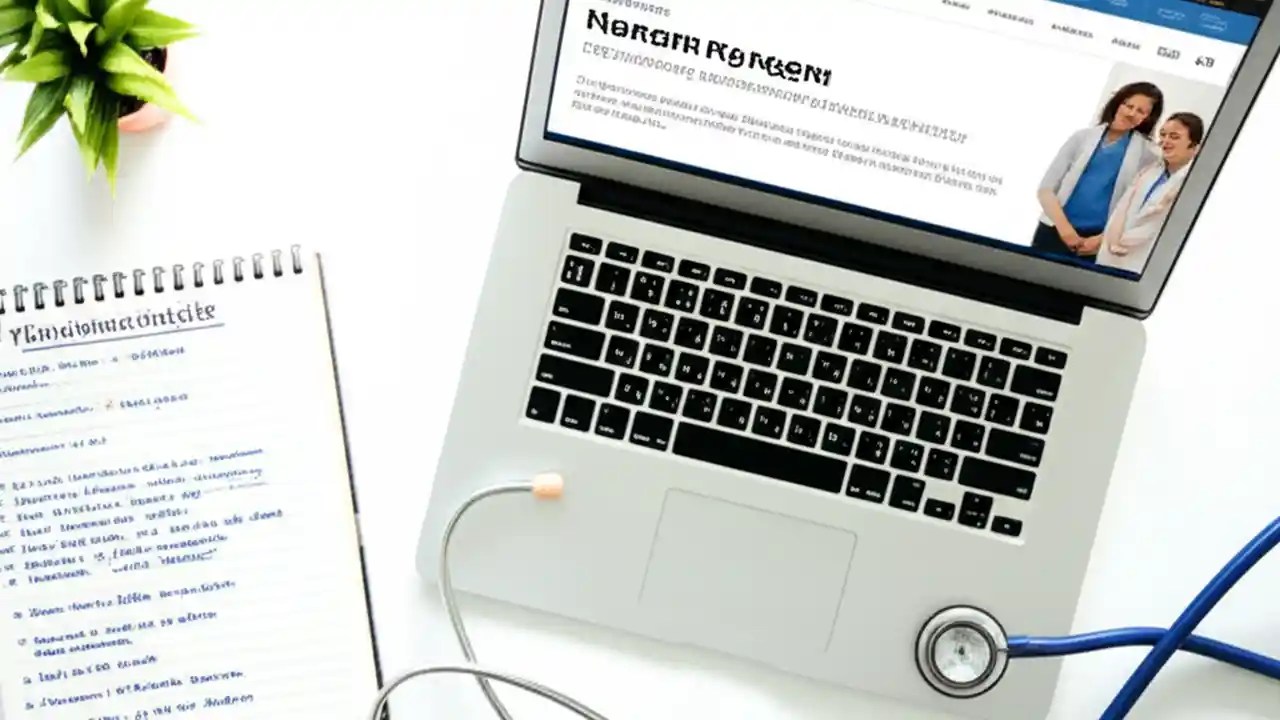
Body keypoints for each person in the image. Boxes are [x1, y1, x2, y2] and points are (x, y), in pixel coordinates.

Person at [1033, 81, 1164, 263]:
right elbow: (1046, 189)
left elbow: (1136, 209)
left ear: (1148, 118)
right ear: (1117, 103)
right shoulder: (1082, 137)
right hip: (1053, 230)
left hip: (1096, 243)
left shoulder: (1148, 155)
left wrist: (1102, 239)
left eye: (1141, 111)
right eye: (1128, 105)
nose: (1131, 113)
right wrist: (1065, 230)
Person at [1093, 112, 1205, 274]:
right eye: (1163, 135)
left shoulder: (1196, 183)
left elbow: (1156, 225)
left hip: (1145, 263)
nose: (1165, 141)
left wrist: (1122, 241)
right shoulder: (1148, 172)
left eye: (1174, 137)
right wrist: (1111, 240)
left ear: (1194, 146)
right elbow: (1120, 212)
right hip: (1110, 257)